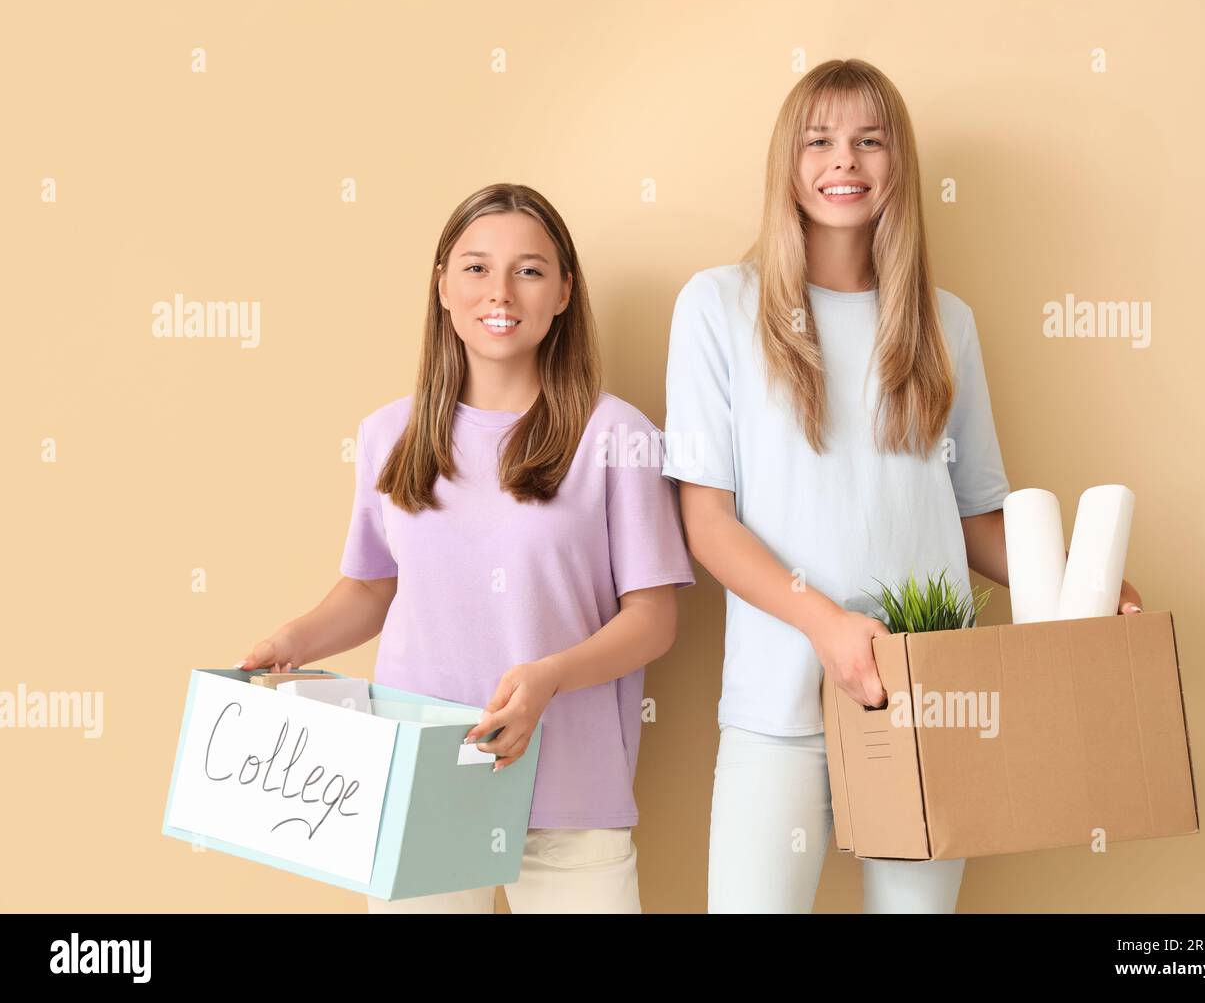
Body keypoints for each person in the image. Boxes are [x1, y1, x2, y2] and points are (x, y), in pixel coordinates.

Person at [661, 58, 1143, 913]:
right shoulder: (717, 307)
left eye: (868, 141)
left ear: (898, 165)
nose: (843, 161)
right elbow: (707, 522)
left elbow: (972, 515)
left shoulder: (943, 322)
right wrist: (829, 627)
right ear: (789, 161)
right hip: (780, 698)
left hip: (931, 699)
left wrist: (1080, 588)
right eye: (819, 141)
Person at [236, 183, 695, 913]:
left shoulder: (618, 435)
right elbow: (371, 589)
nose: (501, 291)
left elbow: (654, 620)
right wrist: (292, 639)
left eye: (531, 270)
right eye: (476, 268)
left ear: (565, 292)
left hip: (571, 793)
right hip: (421, 784)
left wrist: (548, 676)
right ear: (442, 287)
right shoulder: (391, 433)